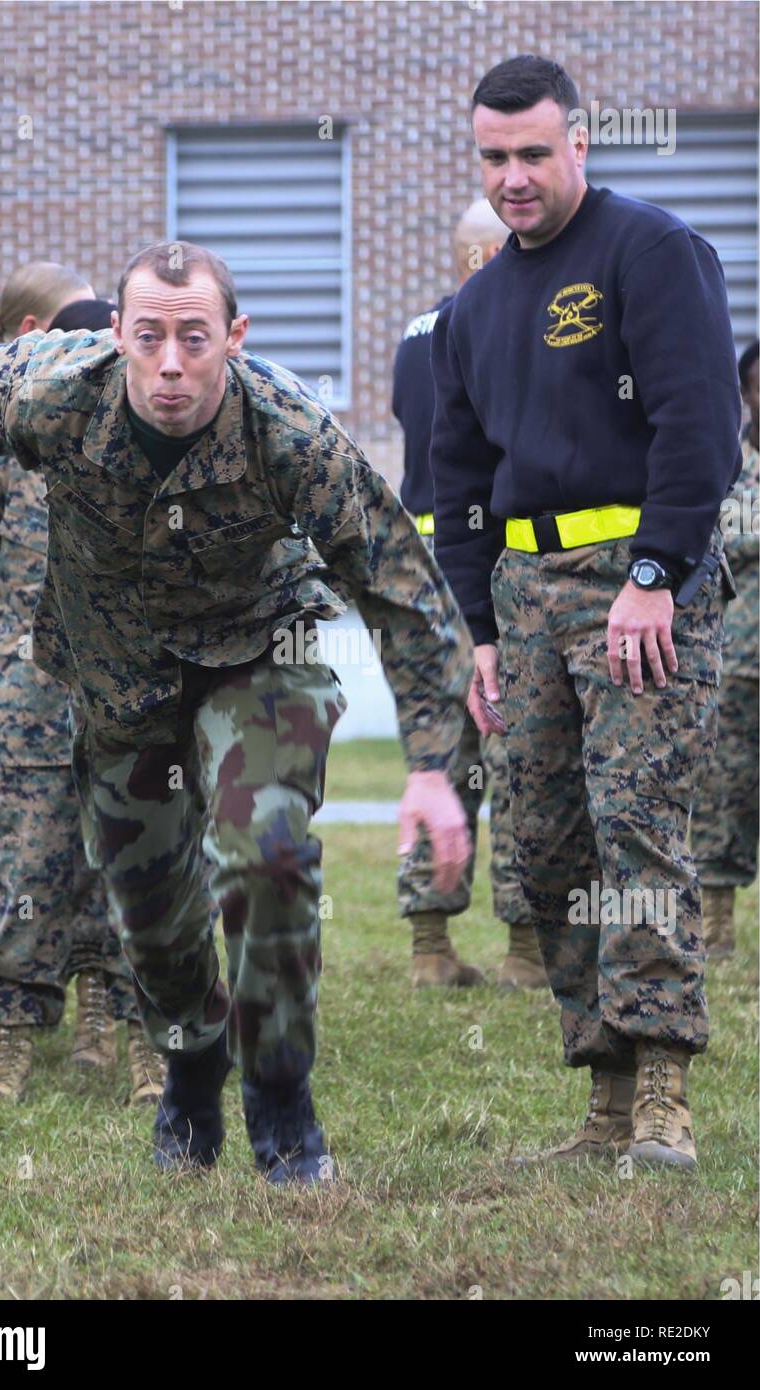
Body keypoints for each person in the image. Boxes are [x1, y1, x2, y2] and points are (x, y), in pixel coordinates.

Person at [0, 239, 474, 1184]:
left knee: (270, 849)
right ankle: (193, 1066)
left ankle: (283, 1100)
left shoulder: (290, 432)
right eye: (151, 337)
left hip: (260, 660)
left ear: (235, 339)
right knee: (156, 926)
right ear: (118, 334)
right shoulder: (51, 388)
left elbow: (402, 589)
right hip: (119, 681)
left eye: (196, 339)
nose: (172, 365)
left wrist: (428, 768)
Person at [430, 55, 741, 1172]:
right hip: (522, 598)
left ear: (579, 144)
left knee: (637, 829)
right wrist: (476, 630)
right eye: (493, 157)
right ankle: (601, 1103)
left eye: (532, 153)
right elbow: (456, 482)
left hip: (633, 586)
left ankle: (662, 1099)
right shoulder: (471, 307)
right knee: (548, 847)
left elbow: (698, 428)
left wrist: (655, 573)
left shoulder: (649, 253)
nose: (513, 178)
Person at [0, 263, 158, 1104]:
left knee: (113, 847)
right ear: (25, 340)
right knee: (6, 853)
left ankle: (106, 1009)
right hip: (6, 689)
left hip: (103, 680)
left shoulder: (120, 419)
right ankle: (4, 1013)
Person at [393, 197, 547, 990]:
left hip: (419, 563)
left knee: (435, 745)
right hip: (489, 554)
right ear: (487, 257)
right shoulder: (499, 322)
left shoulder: (412, 336)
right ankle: (525, 952)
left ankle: (429, 949)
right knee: (516, 747)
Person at [691, 339, 759, 956]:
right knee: (725, 793)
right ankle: (717, 930)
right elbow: (713, 537)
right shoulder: (726, 465)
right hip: (739, 662)